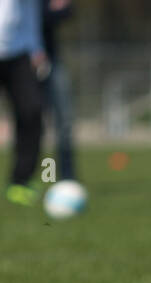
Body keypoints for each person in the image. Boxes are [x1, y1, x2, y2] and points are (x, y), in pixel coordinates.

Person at [0, 0, 44, 206]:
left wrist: (36, 47)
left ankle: (21, 181)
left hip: (19, 53)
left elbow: (30, 13)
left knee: (32, 112)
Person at [40, 0, 73, 182]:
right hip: (21, 61)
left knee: (63, 121)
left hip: (51, 59)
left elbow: (66, 11)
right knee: (36, 123)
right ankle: (45, 176)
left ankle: (66, 177)